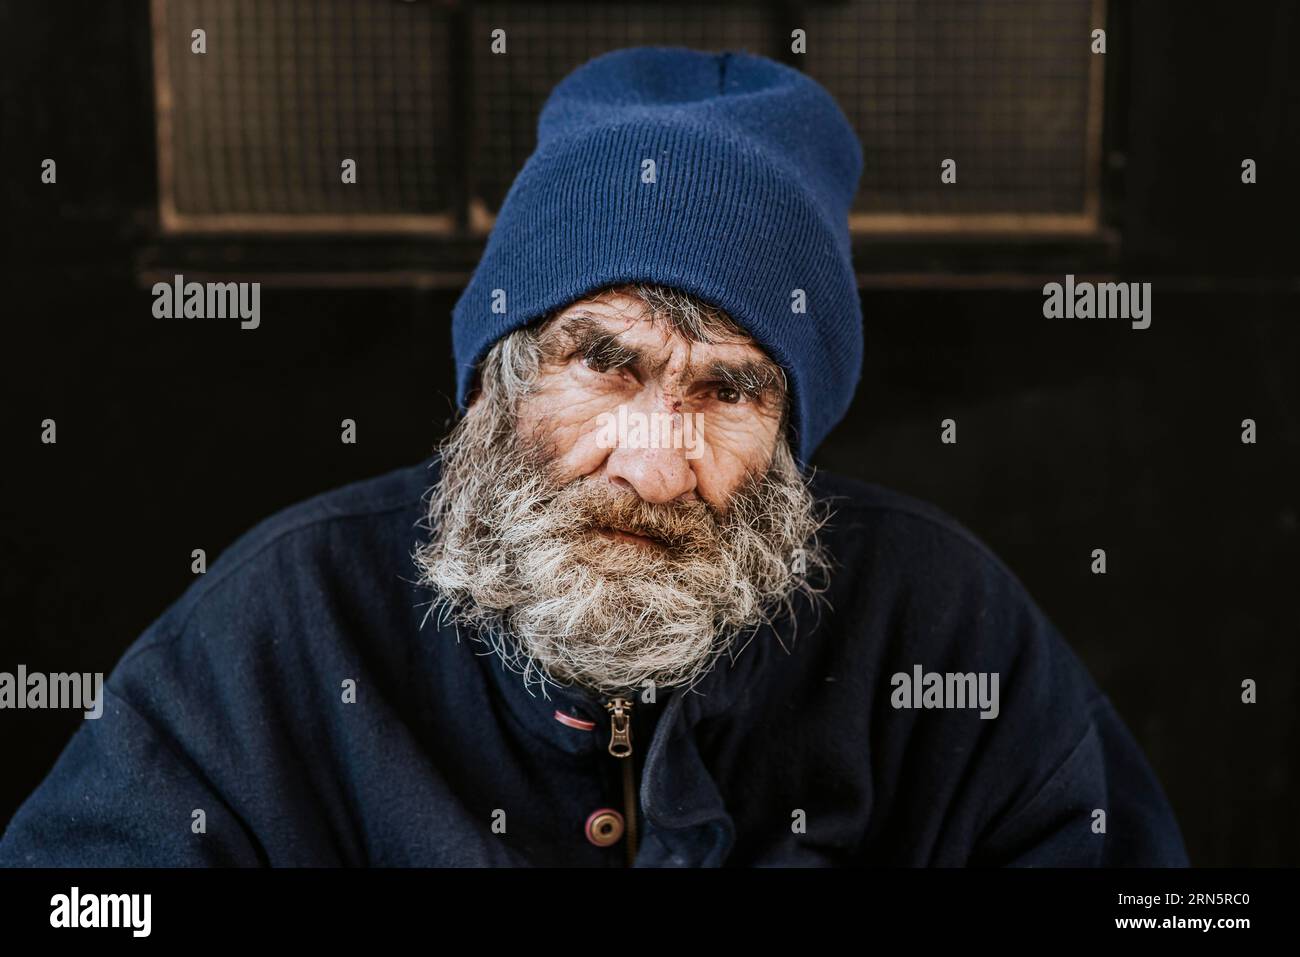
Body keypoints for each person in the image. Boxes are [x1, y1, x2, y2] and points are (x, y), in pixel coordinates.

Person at [0, 46, 1187, 867]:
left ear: (791, 437)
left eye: (730, 389)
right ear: (493, 382)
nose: (653, 463)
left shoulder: (943, 626)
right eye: (604, 363)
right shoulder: (282, 629)